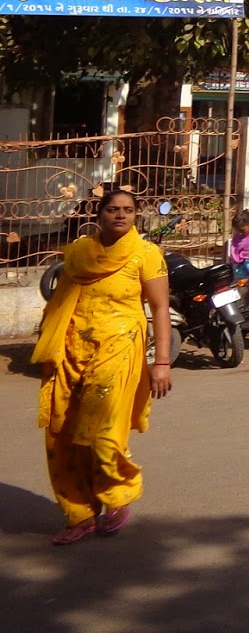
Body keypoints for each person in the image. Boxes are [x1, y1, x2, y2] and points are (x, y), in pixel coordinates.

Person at [31, 188, 172, 545]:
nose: (120, 215)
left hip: (119, 347)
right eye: (112, 209)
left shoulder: (146, 254)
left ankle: (118, 493)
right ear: (99, 214)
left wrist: (162, 362)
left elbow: (158, 309)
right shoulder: (79, 252)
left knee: (100, 432)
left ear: (136, 215)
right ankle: (80, 513)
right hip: (73, 349)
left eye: (127, 210)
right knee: (63, 432)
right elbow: (60, 301)